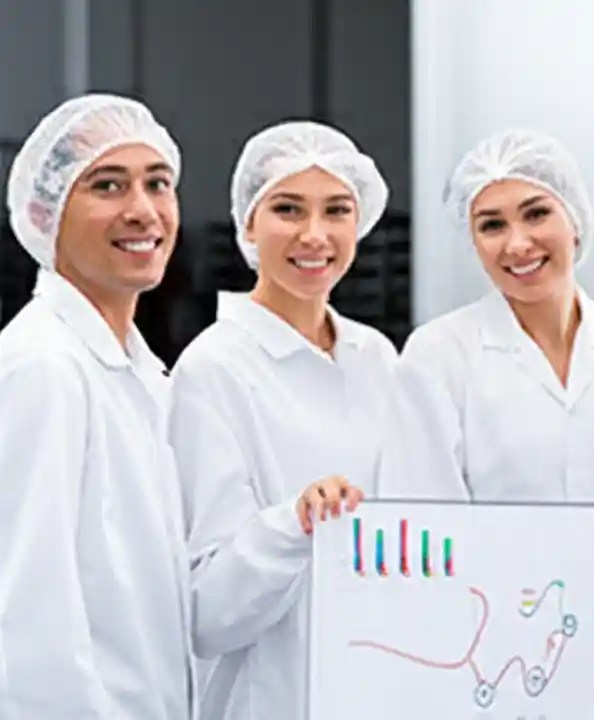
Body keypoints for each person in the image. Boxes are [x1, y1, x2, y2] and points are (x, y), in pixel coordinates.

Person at [379, 129, 594, 718]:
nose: (517, 243)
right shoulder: (439, 356)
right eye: (490, 224)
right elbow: (426, 531)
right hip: (499, 667)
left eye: (536, 213)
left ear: (575, 218)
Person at [169, 121, 396, 719]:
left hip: (382, 681)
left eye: (337, 210)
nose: (314, 235)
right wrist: (294, 522)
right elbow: (208, 612)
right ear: (248, 223)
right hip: (268, 698)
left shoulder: (375, 357)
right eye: (288, 209)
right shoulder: (212, 369)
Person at [0, 94, 193, 717]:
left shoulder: (142, 376)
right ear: (43, 212)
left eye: (157, 184)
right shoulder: (43, 368)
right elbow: (27, 618)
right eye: (107, 186)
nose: (143, 211)